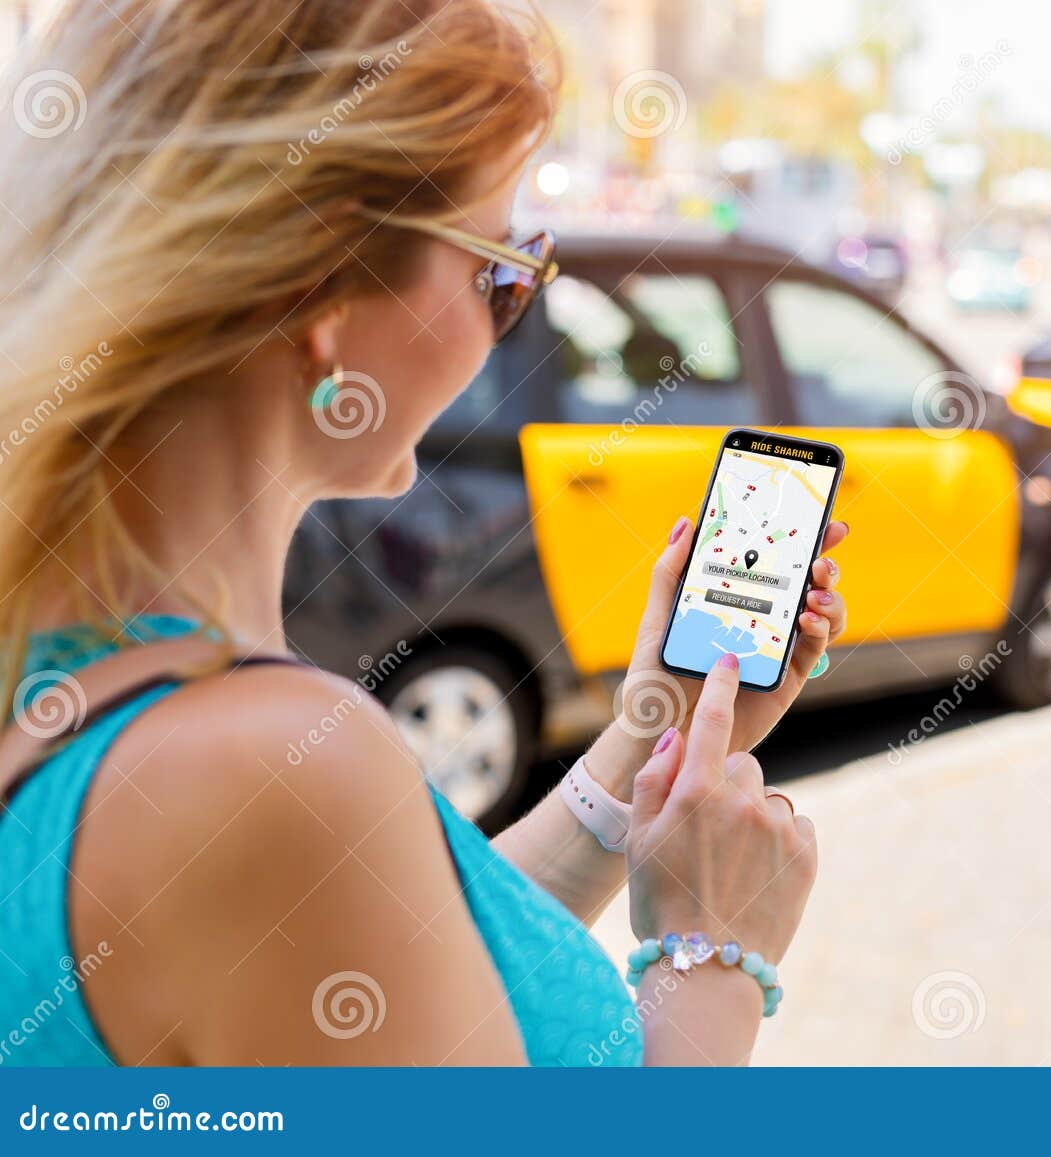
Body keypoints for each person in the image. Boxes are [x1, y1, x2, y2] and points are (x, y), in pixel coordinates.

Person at [0, 0, 848, 1066]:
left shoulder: (105, 677)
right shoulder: (262, 770)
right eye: (497, 270)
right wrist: (715, 949)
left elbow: (417, 976)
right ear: (321, 293)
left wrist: (644, 744)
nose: (505, 320)